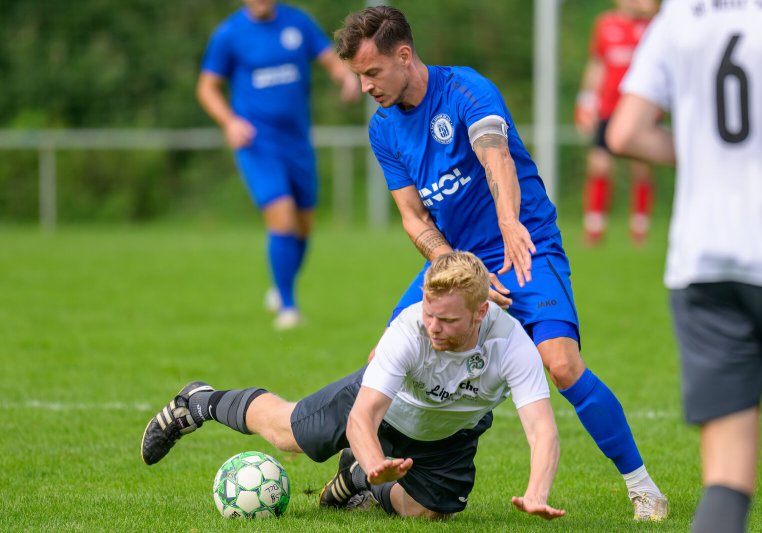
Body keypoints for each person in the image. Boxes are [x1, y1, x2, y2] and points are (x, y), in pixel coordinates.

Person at [334, 5, 667, 521]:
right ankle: (365, 469)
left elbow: (496, 157)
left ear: (404, 55)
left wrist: (510, 224)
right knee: (384, 357)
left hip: (525, 247)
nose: (365, 87)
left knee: (560, 362)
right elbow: (412, 215)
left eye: (372, 73)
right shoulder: (384, 130)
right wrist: (459, 270)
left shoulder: (466, 90)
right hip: (460, 260)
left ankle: (643, 487)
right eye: (359, 77)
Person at [141, 251, 565, 520]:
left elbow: (541, 430)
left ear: (480, 312)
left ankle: (359, 478)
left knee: (425, 514)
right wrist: (377, 456)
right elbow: (362, 417)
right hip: (385, 408)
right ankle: (200, 403)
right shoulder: (409, 329)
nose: (433, 327)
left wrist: (535, 494)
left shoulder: (512, 344)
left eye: (448, 320)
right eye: (430, 314)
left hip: (448, 436)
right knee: (286, 434)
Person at [606, 2, 762, 532]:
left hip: (702, 267)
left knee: (727, 481)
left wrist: (705, 154)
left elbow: (625, 134)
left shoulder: (680, 19)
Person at [196, 0, 360, 330]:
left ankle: (280, 283)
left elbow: (329, 59)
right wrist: (229, 122)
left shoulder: (297, 23)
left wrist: (346, 77)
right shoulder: (229, 34)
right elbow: (207, 87)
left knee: (304, 226)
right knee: (282, 217)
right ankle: (287, 306)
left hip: (298, 143)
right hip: (257, 144)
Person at [574, 0, 659, 246]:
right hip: (608, 108)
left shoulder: (651, 26)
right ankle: (594, 228)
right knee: (599, 165)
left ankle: (640, 230)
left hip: (639, 108)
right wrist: (586, 101)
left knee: (641, 167)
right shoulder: (605, 24)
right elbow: (598, 63)